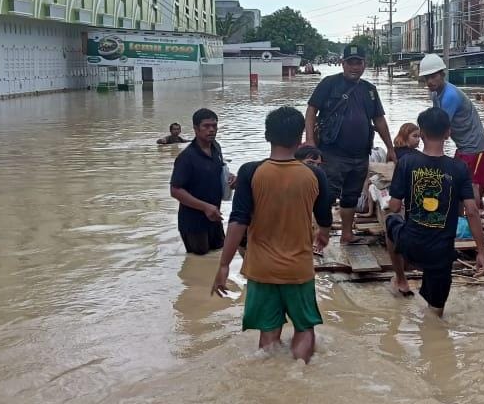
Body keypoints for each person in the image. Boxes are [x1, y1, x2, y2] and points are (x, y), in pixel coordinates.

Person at [212, 106, 333, 363]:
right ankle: (299, 371)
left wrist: (224, 264)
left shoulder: (250, 172)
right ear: (300, 138)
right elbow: (324, 223)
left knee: (268, 336)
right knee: (304, 328)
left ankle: (269, 377)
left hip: (261, 270)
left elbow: (238, 221)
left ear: (267, 135)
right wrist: (322, 235)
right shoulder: (315, 174)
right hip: (298, 270)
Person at [385, 107, 484, 315]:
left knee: (390, 221)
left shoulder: (407, 163)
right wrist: (481, 251)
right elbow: (472, 211)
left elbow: (395, 206)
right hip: (441, 252)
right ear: (448, 133)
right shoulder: (459, 168)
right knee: (435, 315)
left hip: (411, 244)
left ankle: (401, 278)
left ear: (421, 133)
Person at [305, 44, 396, 245]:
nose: (354, 67)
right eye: (350, 63)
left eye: (359, 63)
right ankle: (321, 236)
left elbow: (379, 119)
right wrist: (310, 141)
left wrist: (390, 147)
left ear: (365, 64)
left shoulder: (369, 90)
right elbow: (311, 111)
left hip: (360, 154)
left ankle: (347, 234)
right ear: (343, 63)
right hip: (332, 153)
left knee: (351, 196)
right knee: (326, 196)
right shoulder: (329, 84)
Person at [418, 53, 484, 203]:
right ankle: (461, 216)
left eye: (433, 76)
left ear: (442, 74)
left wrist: (430, 157)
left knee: (471, 185)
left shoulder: (450, 96)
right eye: (426, 78)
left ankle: (472, 216)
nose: (429, 81)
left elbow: (440, 130)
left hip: (474, 146)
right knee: (459, 182)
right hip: (463, 146)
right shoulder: (435, 94)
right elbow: (435, 123)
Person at [170, 108, 235, 255]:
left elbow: (218, 170)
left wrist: (231, 177)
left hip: (214, 217)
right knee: (198, 262)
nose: (211, 130)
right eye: (206, 126)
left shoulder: (216, 148)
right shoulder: (186, 158)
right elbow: (175, 190)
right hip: (194, 224)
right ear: (195, 129)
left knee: (218, 256)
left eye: (214, 126)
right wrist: (205, 207)